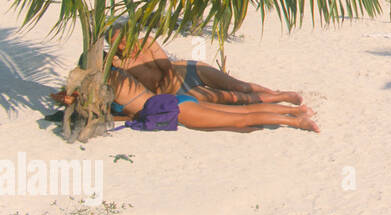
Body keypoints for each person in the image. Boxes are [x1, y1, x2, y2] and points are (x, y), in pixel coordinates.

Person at [110, 31, 303, 106]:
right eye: (119, 44)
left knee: (239, 86)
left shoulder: (147, 42)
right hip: (178, 90)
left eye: (126, 40)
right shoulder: (119, 64)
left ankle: (274, 93)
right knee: (231, 98)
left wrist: (165, 81)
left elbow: (167, 67)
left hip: (188, 71)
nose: (125, 45)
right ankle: (281, 98)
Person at [105, 66, 319, 132]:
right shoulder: (119, 75)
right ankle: (294, 111)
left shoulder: (109, 84)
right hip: (176, 101)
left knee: (242, 119)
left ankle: (296, 120)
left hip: (175, 110)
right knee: (242, 114)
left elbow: (130, 113)